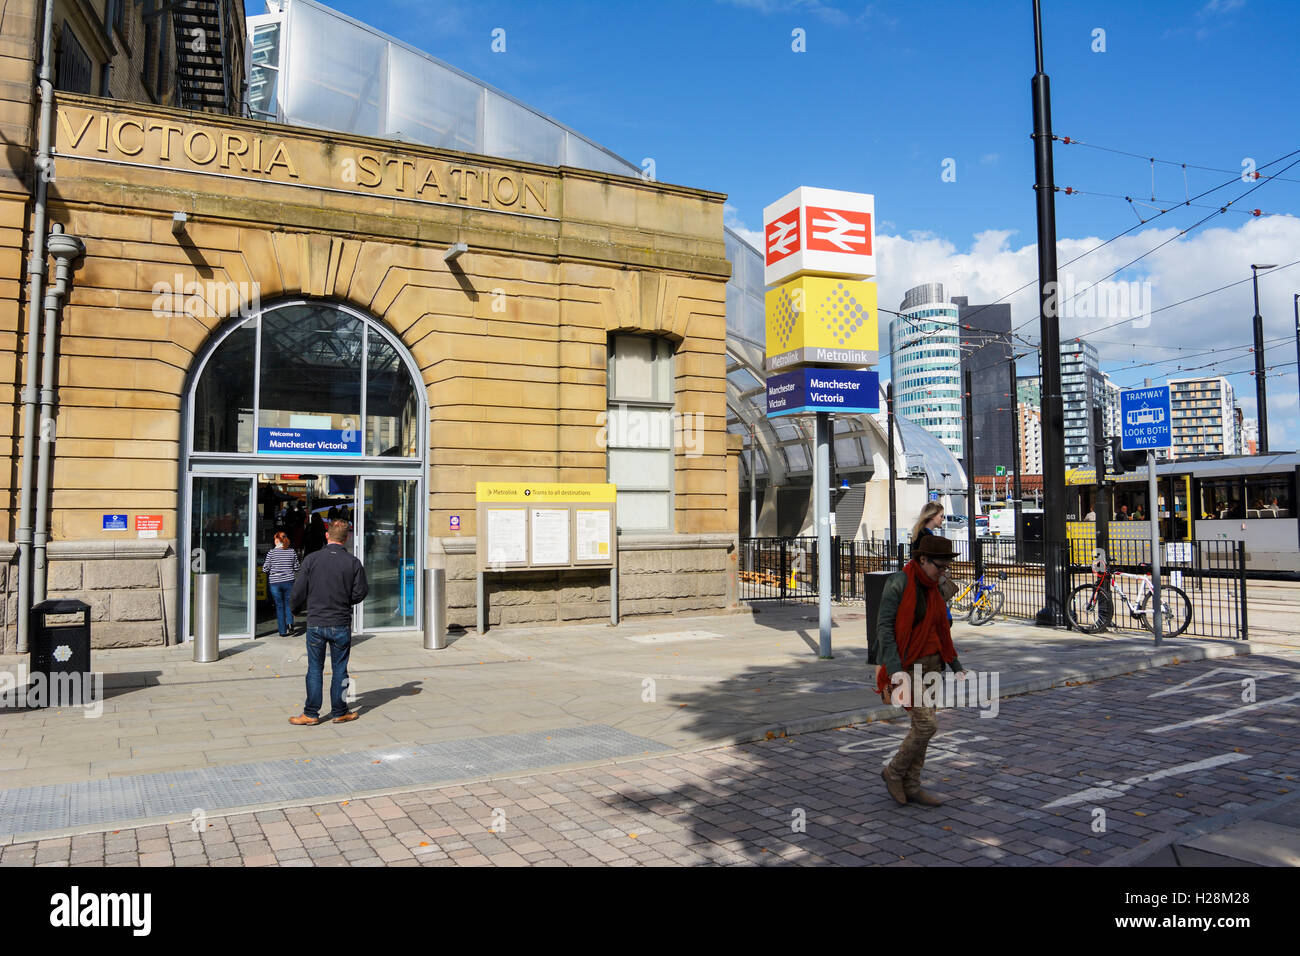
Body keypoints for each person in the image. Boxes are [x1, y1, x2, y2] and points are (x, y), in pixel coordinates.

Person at [870, 535, 965, 807]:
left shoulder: (935, 587)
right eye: (940, 566)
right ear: (922, 559)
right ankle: (893, 772)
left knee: (921, 727)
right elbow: (884, 629)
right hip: (907, 664)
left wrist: (954, 664)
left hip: (934, 664)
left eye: (947, 567)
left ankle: (912, 785)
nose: (943, 572)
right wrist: (896, 670)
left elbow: (941, 630)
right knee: (927, 725)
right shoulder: (899, 583)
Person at [288, 519, 369, 725]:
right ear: (347, 537)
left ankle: (311, 713)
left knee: (314, 668)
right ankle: (339, 711)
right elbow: (360, 592)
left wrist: (295, 609)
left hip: (316, 621)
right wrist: (345, 601)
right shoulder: (353, 562)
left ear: (327, 535)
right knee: (340, 668)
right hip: (340, 621)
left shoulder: (312, 559)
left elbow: (299, 590)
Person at [262, 531, 300, 636]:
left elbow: (265, 568)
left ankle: (282, 631)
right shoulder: (291, 551)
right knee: (288, 603)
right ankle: (290, 624)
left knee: (279, 606)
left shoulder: (271, 553)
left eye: (275, 539)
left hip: (275, 583)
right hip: (289, 581)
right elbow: (297, 567)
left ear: (277, 540)